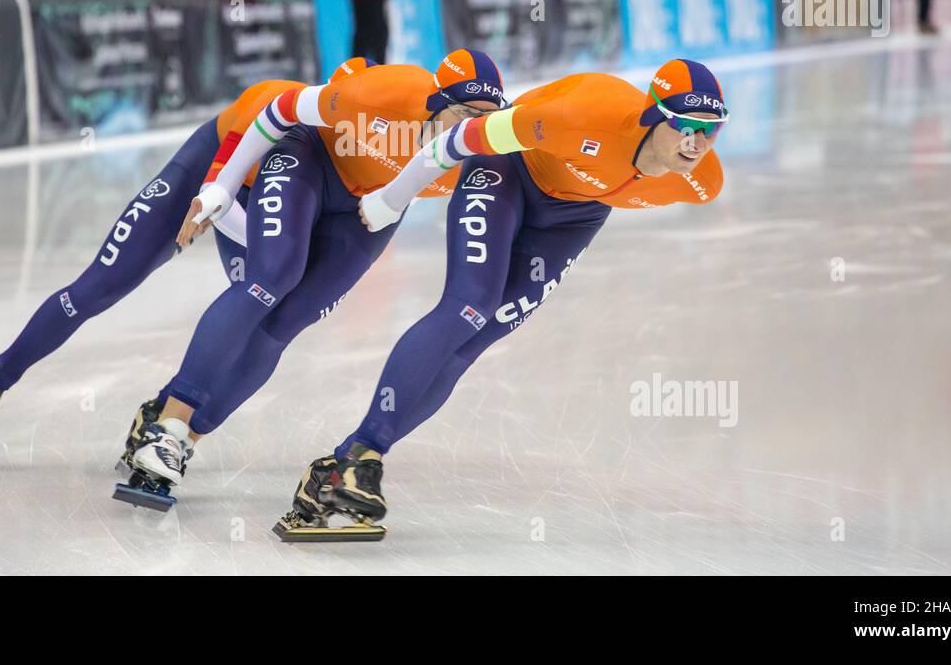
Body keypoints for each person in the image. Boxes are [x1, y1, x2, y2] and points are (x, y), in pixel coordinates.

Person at [283, 58, 727, 534]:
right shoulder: (577, 117)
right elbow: (456, 140)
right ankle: (363, 455)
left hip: (574, 218)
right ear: (651, 114)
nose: (695, 143)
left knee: (474, 342)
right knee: (468, 309)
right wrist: (393, 197)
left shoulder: (702, 183)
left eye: (711, 129)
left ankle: (345, 465)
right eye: (684, 124)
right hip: (506, 171)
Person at [0, 58, 380, 463]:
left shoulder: (357, 163)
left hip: (259, 204)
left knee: (263, 320)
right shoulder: (274, 100)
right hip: (209, 182)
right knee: (100, 285)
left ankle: (168, 421)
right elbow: (217, 192)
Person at [120, 49, 507, 506]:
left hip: (366, 208)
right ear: (436, 102)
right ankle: (168, 422)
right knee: (270, 279)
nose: (471, 130)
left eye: (487, 118)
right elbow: (279, 109)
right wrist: (222, 184)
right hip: (310, 158)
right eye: (464, 114)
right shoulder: (378, 96)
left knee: (286, 323)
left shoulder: (482, 148)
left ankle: (180, 445)